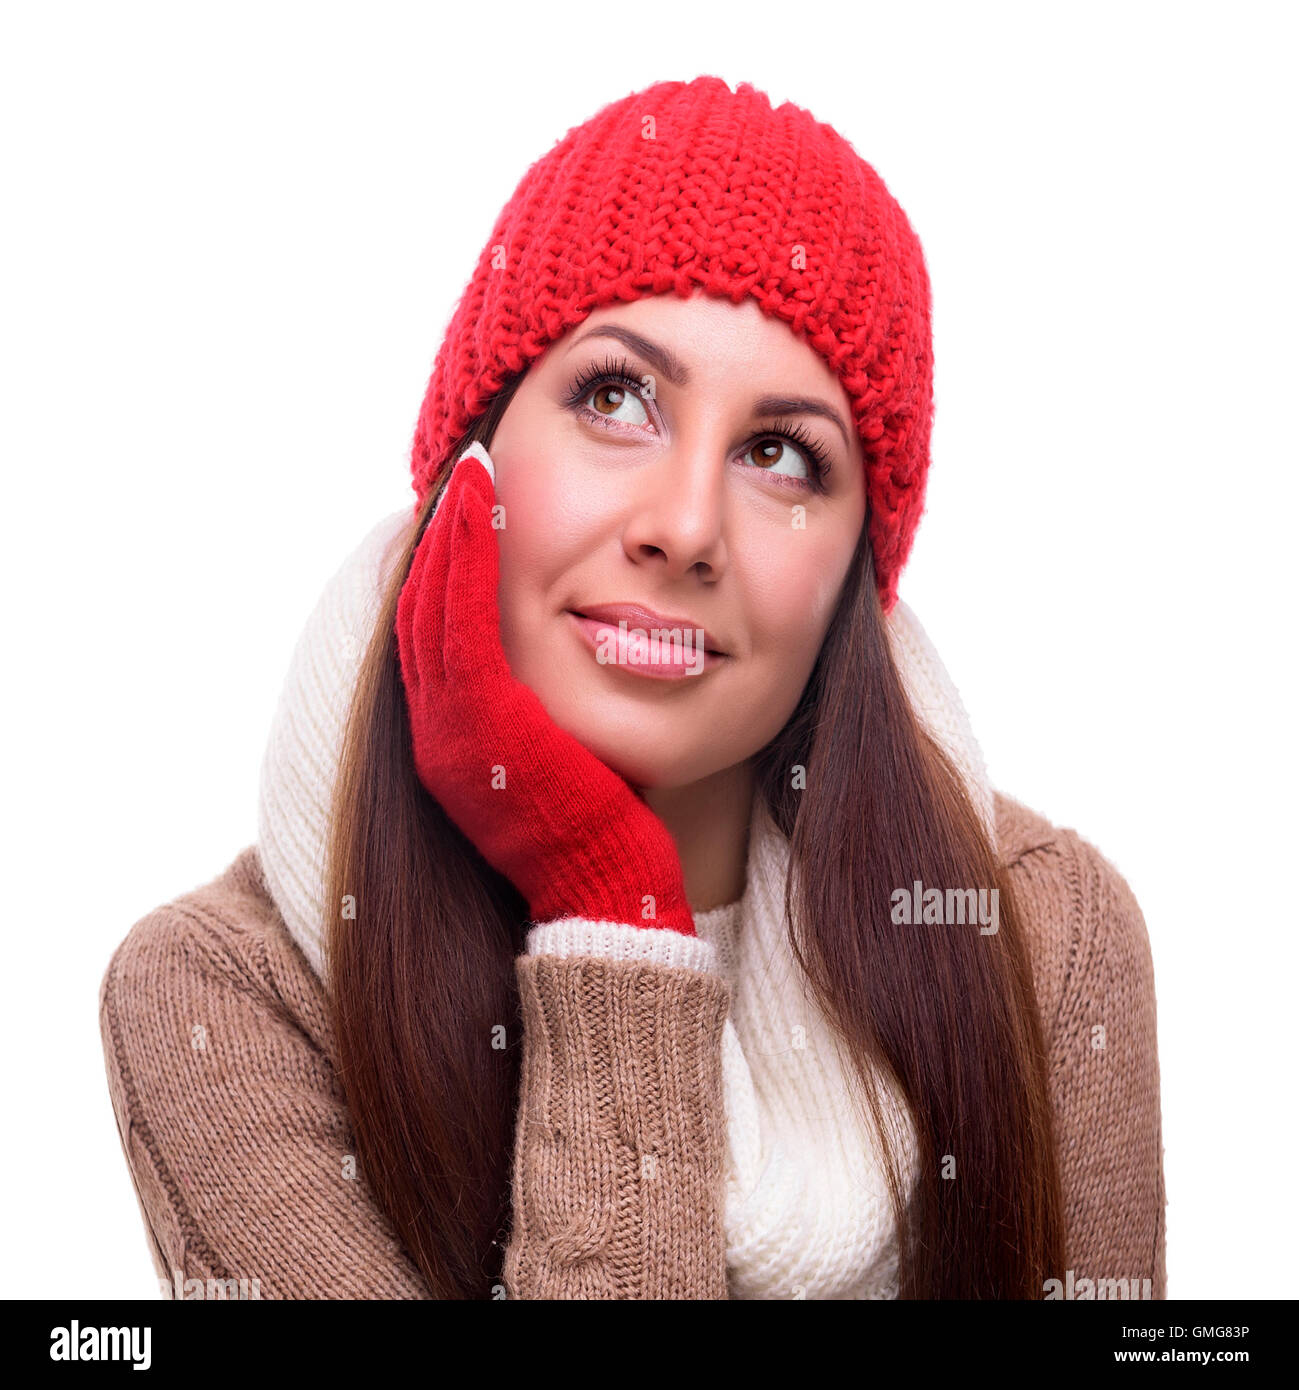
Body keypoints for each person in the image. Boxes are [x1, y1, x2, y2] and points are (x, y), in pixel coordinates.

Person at [98, 74, 1166, 1301]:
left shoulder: (1040, 939)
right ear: (473, 463)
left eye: (780, 454)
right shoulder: (227, 995)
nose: (685, 525)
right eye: (617, 398)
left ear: (856, 579)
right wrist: (613, 901)